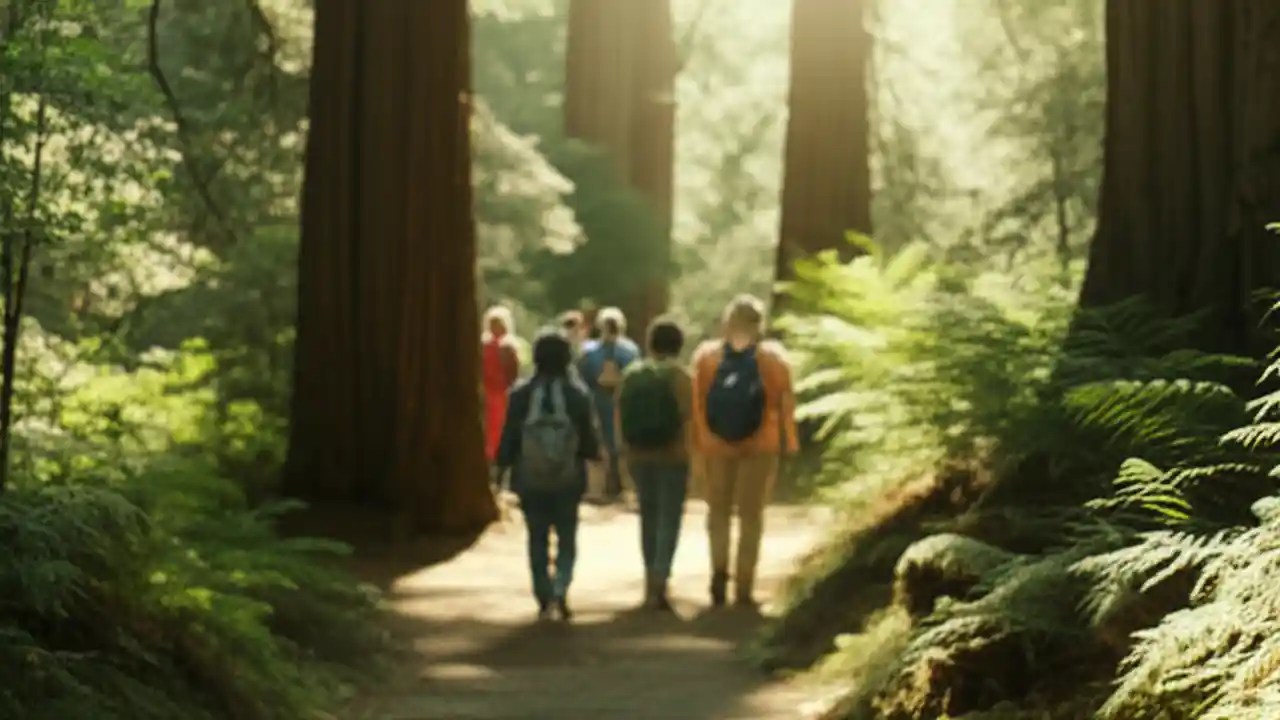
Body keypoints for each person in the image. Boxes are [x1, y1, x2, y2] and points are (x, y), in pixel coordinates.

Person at [690, 294, 799, 607]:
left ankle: (718, 575)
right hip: (760, 446)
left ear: (727, 323)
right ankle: (744, 586)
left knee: (718, 512)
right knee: (751, 516)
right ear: (759, 325)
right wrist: (788, 445)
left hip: (715, 445)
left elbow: (697, 404)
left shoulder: (706, 358)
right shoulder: (774, 360)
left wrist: (699, 444)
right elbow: (785, 405)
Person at [496, 329, 601, 621]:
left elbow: (510, 436)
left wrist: (501, 469)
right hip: (568, 478)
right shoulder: (577, 393)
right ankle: (561, 588)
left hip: (530, 478)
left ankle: (542, 594)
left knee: (537, 536)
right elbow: (588, 440)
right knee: (567, 536)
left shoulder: (521, 393)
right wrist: (594, 458)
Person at [616, 317, 693, 611]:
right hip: (671, 456)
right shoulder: (680, 376)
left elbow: (619, 414)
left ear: (650, 343)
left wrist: (624, 452)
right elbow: (688, 418)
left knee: (648, 515)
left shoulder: (632, 374)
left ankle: (650, 577)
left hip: (638, 454)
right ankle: (661, 577)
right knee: (669, 516)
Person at [577, 307, 640, 503]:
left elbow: (582, 379)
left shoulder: (589, 351)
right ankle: (620, 487)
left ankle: (602, 488)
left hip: (604, 401)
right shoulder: (629, 350)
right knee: (617, 442)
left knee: (604, 441)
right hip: (617, 402)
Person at [481, 306, 521, 477]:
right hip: (498, 395)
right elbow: (513, 374)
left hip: (490, 395)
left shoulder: (484, 346)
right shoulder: (508, 347)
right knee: (498, 433)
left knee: (491, 433)